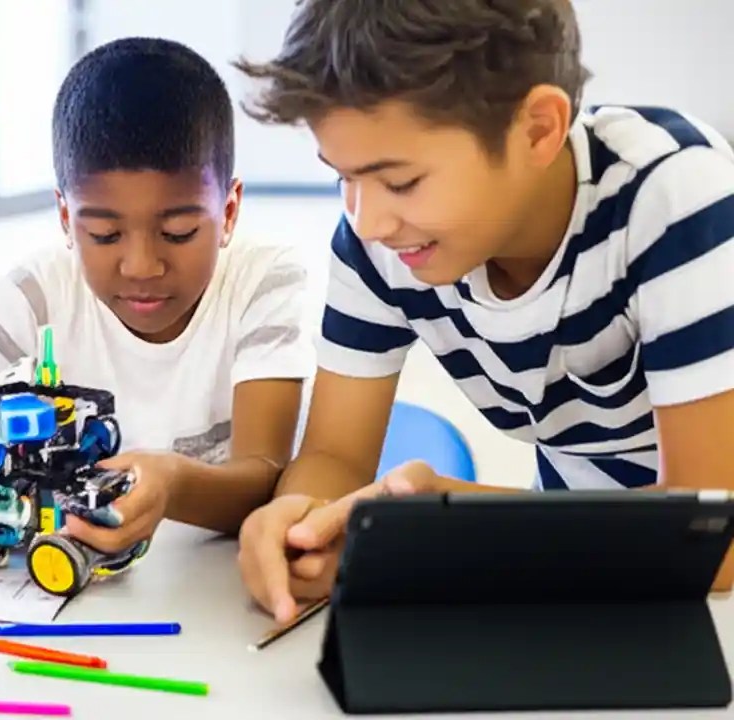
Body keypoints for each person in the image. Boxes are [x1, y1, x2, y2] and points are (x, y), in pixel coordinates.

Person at [232, 0, 734, 622]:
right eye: (343, 178)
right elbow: (334, 454)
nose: (367, 221)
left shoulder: (675, 199)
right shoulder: (380, 245)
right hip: (586, 582)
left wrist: (460, 530)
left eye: (401, 182)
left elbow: (713, 536)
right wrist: (300, 522)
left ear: (537, 130)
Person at [0, 37, 313, 556]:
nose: (142, 266)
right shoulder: (43, 289)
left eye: (178, 232)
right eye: (104, 236)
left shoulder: (265, 282)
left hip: (212, 592)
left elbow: (264, 478)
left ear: (230, 210)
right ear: (66, 218)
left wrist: (172, 481)